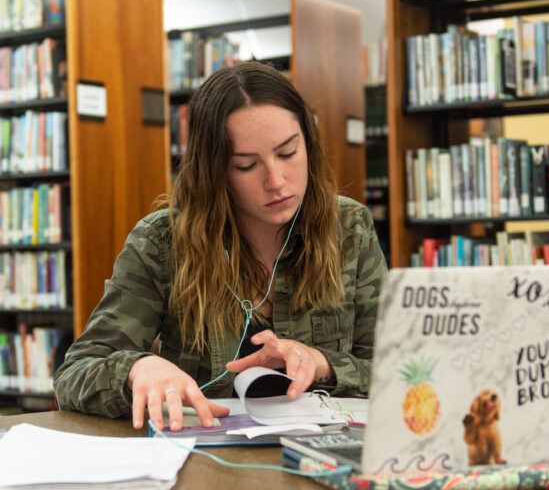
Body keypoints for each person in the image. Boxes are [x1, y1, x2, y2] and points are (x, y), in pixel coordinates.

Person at [53, 61, 387, 432]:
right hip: (206, 470)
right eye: (246, 165)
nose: (276, 181)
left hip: (323, 463)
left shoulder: (349, 228)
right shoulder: (163, 241)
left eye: (288, 153)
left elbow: (398, 371)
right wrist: (136, 368)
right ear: (214, 172)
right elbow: (74, 373)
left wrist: (320, 362)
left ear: (308, 143)